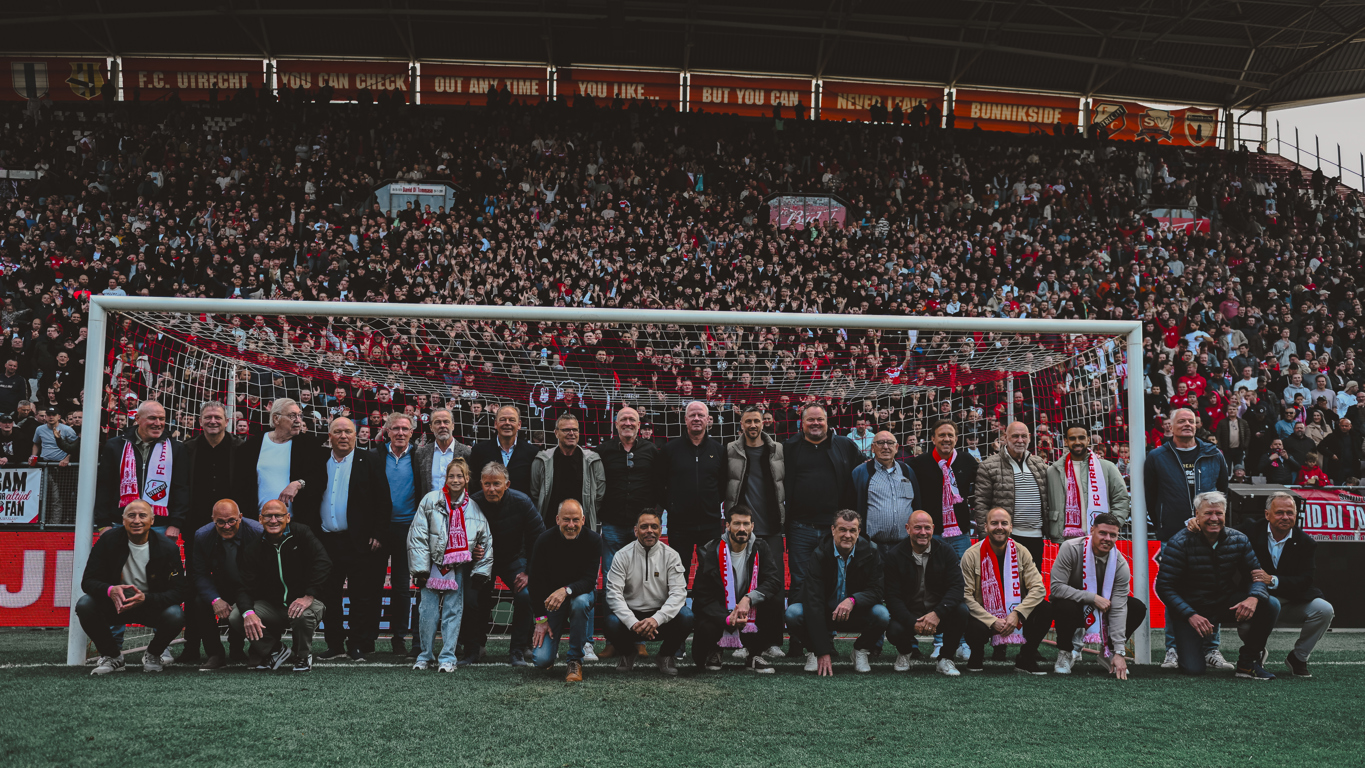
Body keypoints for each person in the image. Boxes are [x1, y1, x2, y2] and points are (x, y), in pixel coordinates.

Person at [1155, 491, 1276, 679]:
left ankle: (1247, 663)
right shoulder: (1179, 542)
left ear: (1225, 515)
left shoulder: (1239, 539)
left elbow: (1257, 576)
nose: (1214, 518)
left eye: (1219, 513)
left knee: (1270, 604)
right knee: (1193, 670)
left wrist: (1253, 597)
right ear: (1196, 515)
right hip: (1191, 610)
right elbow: (1164, 586)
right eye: (1208, 513)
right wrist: (1190, 614)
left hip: (1224, 603)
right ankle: (1186, 650)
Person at [1145, 408, 1231, 669]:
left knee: (1213, 590)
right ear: (1169, 425)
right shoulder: (1157, 457)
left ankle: (1211, 649)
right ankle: (1173, 649)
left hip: (1211, 535)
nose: (1186, 425)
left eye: (1191, 421)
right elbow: (1151, 497)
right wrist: (1164, 524)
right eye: (1181, 421)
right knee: (1174, 592)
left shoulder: (1213, 454)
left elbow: (1223, 492)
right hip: (1173, 535)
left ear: (1197, 425)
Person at [301, 417, 391, 662]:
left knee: (361, 594)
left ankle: (358, 644)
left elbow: (383, 500)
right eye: (338, 432)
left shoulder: (370, 460)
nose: (343, 436)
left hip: (359, 540)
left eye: (348, 432)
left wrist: (378, 533)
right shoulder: (319, 461)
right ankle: (334, 644)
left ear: (356, 435)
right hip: (326, 540)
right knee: (329, 594)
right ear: (329, 436)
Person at [782, 402, 861, 656]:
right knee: (800, 582)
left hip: (834, 532)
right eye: (810, 420)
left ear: (828, 422)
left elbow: (858, 478)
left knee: (831, 583)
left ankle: (824, 639)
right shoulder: (789, 448)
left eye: (820, 420)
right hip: (800, 528)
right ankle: (798, 639)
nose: (816, 424)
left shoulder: (845, 446)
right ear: (801, 423)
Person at [77, 501, 187, 675]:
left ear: (152, 520)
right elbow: (88, 581)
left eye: (142, 516)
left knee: (175, 615)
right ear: (123, 519)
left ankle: (153, 654)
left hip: (149, 605)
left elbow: (179, 592)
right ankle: (113, 656)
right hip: (115, 603)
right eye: (131, 515)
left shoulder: (167, 548)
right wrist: (110, 590)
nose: (137, 520)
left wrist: (146, 599)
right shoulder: (108, 540)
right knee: (85, 604)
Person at [408, 457, 493, 672]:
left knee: (453, 612)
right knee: (427, 611)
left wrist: (480, 568)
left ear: (466, 479)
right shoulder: (430, 500)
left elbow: (485, 540)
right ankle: (425, 655)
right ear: (445, 478)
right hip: (432, 567)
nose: (455, 480)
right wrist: (420, 569)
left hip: (458, 568)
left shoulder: (473, 508)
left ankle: (447, 656)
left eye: (459, 476)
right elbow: (417, 535)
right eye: (451, 476)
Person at [1236, 492, 1333, 678]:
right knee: (1245, 626)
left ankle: (1298, 657)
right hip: (1261, 602)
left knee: (1324, 610)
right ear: (1267, 515)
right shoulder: (1249, 530)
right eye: (1280, 512)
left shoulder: (1306, 543)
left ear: (1296, 515)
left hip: (1293, 600)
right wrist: (1195, 525)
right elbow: (1221, 531)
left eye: (1290, 513)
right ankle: (1255, 652)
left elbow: (1306, 580)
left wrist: (1272, 580)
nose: (1285, 517)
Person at [459, 462, 544, 667]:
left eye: (496, 484)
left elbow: (540, 539)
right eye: (487, 484)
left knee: (525, 595)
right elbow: (458, 536)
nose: (491, 489)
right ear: (480, 484)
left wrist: (528, 572)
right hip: (481, 561)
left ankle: (518, 650)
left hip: (512, 559)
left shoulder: (522, 502)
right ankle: (474, 649)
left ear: (507, 484)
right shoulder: (471, 503)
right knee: (471, 598)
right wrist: (471, 550)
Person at [785, 510, 889, 676]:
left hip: (856, 613)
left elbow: (876, 591)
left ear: (859, 532)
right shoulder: (819, 553)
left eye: (852, 530)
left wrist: (852, 600)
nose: (847, 535)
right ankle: (813, 651)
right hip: (825, 613)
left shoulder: (871, 551)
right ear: (833, 530)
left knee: (882, 614)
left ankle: (860, 650)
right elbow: (814, 601)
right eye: (842, 530)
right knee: (793, 613)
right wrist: (822, 650)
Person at [233, 499, 331, 672]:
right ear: (260, 519)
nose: (273, 520)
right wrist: (248, 613)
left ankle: (302, 656)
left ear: (287, 517)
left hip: (306, 601)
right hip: (273, 606)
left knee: (302, 614)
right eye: (268, 516)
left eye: (278, 516)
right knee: (236, 616)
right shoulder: (254, 547)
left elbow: (323, 562)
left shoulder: (302, 533)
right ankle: (274, 650)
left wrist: (309, 595)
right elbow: (244, 587)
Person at [910, 418, 977, 661]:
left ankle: (960, 641)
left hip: (960, 534)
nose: (946, 439)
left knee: (962, 586)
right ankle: (939, 641)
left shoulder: (968, 462)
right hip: (931, 535)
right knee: (934, 586)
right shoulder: (920, 463)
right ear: (933, 438)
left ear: (956, 438)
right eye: (941, 435)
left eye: (950, 435)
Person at [180, 401, 241, 664]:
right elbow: (181, 487)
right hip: (197, 528)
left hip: (234, 529)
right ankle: (193, 647)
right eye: (208, 417)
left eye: (218, 417)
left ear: (227, 421)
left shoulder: (241, 448)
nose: (213, 421)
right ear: (200, 421)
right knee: (196, 587)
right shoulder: (187, 449)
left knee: (238, 584)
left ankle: (238, 649)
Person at [1049, 512, 1145, 678]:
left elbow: (1119, 607)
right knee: (1063, 605)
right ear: (1092, 530)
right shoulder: (1070, 548)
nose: (1107, 538)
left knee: (1136, 607)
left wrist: (1120, 651)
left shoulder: (1120, 564)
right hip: (1075, 607)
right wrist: (1092, 598)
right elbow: (1056, 588)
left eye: (1113, 535)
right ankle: (1065, 652)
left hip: (1104, 609)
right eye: (1103, 533)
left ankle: (1108, 653)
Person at [724, 405, 787, 657]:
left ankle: (772, 641)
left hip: (771, 528)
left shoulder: (778, 450)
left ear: (764, 423)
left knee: (773, 586)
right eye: (748, 421)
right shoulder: (731, 450)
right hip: (741, 530)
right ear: (741, 425)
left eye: (757, 421)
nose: (752, 425)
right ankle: (741, 640)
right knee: (740, 586)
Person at [691, 505, 783, 674]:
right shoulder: (711, 550)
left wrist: (748, 599)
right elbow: (702, 594)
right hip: (719, 613)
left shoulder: (760, 547)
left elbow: (773, 580)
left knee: (775, 602)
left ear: (752, 526)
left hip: (748, 611)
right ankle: (714, 650)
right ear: (727, 526)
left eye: (746, 524)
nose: (742, 529)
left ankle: (754, 654)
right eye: (737, 524)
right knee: (703, 620)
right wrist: (725, 617)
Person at [960, 507, 1053, 674]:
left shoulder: (1021, 551)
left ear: (1011, 527)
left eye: (1004, 523)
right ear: (986, 526)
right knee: (966, 616)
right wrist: (991, 620)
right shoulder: (971, 555)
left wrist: (1018, 613)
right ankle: (977, 654)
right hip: (984, 615)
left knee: (1045, 609)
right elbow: (966, 596)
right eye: (994, 523)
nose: (999, 527)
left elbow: (1038, 588)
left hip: (1015, 614)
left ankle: (1026, 657)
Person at [604, 508, 692, 675]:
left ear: (660, 530)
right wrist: (632, 622)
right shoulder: (622, 555)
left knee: (687, 617)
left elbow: (678, 594)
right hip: (632, 618)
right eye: (644, 527)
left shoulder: (672, 556)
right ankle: (628, 653)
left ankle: (665, 656)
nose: (649, 531)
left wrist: (656, 619)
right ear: (636, 530)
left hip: (660, 618)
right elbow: (613, 594)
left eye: (654, 526)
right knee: (611, 622)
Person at [657, 401, 728, 602]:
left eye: (700, 415)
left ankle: (705, 618)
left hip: (710, 524)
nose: (696, 419)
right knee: (678, 574)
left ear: (708, 420)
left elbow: (722, 486)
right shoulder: (670, 450)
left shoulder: (719, 450)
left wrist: (711, 502)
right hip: (680, 526)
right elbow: (660, 485)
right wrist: (673, 505)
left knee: (709, 575)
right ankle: (677, 620)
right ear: (685, 419)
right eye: (692, 415)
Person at [882, 510, 966, 676]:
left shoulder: (946, 551)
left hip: (938, 612)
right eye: (917, 527)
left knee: (961, 611)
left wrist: (937, 614)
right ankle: (905, 652)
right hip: (909, 614)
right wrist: (913, 621)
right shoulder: (894, 556)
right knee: (893, 629)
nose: (923, 532)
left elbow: (956, 588)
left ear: (933, 528)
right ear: (907, 528)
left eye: (927, 528)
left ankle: (945, 658)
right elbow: (892, 597)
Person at [530, 500, 602, 682]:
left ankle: (574, 661)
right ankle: (552, 649)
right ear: (557, 519)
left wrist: (566, 590)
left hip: (579, 595)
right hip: (552, 602)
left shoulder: (594, 540)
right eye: (566, 520)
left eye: (575, 520)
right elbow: (535, 583)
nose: (571, 525)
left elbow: (589, 581)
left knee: (580, 603)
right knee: (541, 660)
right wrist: (541, 619)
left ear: (583, 520)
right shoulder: (544, 540)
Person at [94, 400, 189, 536]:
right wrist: (103, 524)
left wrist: (176, 523)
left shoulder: (176, 449)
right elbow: (104, 486)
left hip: (160, 526)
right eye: (152, 418)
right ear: (137, 419)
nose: (158, 423)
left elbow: (181, 488)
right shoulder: (115, 446)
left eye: (161, 419)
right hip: (120, 523)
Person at [189, 499, 264, 670]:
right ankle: (215, 654)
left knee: (259, 604)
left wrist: (246, 599)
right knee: (201, 603)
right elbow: (200, 573)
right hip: (222, 584)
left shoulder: (257, 532)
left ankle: (256, 651)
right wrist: (215, 599)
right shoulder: (202, 536)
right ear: (212, 519)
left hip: (252, 586)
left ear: (241, 517)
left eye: (231, 520)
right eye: (220, 522)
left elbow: (264, 572)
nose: (226, 526)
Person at [377, 413, 428, 657]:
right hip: (379, 529)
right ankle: (366, 640)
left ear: (411, 433)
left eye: (404, 429)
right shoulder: (376, 454)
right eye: (395, 428)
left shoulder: (419, 457)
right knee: (372, 584)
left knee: (401, 587)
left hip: (407, 528)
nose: (400, 432)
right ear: (386, 431)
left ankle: (399, 640)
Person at [597, 405, 660, 599]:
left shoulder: (652, 450)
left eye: (632, 419)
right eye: (623, 419)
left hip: (642, 526)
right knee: (610, 575)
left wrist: (656, 513)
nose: (628, 423)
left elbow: (660, 484)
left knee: (643, 576)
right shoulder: (603, 451)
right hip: (611, 524)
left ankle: (638, 622)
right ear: (616, 424)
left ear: (639, 424)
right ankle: (612, 625)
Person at [972, 421, 1050, 563]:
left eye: (1023, 436)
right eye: (1015, 436)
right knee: (1005, 583)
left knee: (1032, 583)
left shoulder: (1040, 464)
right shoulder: (988, 466)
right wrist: (986, 537)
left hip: (1036, 538)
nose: (1020, 440)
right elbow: (981, 504)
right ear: (1005, 438)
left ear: (1030, 438)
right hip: (1005, 538)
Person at [233, 398, 316, 520]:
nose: (298, 420)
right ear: (276, 419)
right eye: (292, 416)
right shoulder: (252, 446)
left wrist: (298, 484)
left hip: (294, 522)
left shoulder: (308, 446)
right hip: (259, 521)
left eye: (299, 415)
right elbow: (241, 485)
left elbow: (318, 478)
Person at [1047, 424, 1130, 540]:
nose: (1077, 442)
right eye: (1072, 438)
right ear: (1065, 441)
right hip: (1064, 539)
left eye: (1081, 438)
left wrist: (1111, 526)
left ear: (1088, 440)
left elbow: (1121, 499)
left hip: (1100, 539)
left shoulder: (1107, 468)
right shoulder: (1053, 471)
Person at [530, 413, 605, 530]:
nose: (571, 433)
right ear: (556, 433)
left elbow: (599, 495)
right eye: (566, 430)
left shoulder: (593, 460)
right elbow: (535, 493)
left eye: (575, 430)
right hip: (550, 526)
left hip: (582, 527)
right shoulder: (542, 460)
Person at [853, 430, 920, 547]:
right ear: (873, 448)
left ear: (896, 447)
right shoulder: (860, 472)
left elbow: (917, 503)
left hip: (904, 545)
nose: (885, 447)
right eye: (880, 443)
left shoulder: (907, 471)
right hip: (872, 545)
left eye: (889, 443)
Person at [467, 404, 539, 495]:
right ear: (495, 424)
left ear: (519, 425)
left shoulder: (532, 453)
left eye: (512, 420)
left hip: (520, 507)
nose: (507, 423)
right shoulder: (479, 451)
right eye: (503, 419)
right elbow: (473, 485)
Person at [1316, 418, 1360, 485]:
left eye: (1346, 426)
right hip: (1338, 467)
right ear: (1339, 425)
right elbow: (1320, 447)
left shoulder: (1355, 436)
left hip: (1352, 467)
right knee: (1338, 488)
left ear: (1350, 426)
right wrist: (1331, 455)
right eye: (1342, 426)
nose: (1344, 427)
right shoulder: (1333, 436)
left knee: (1352, 489)